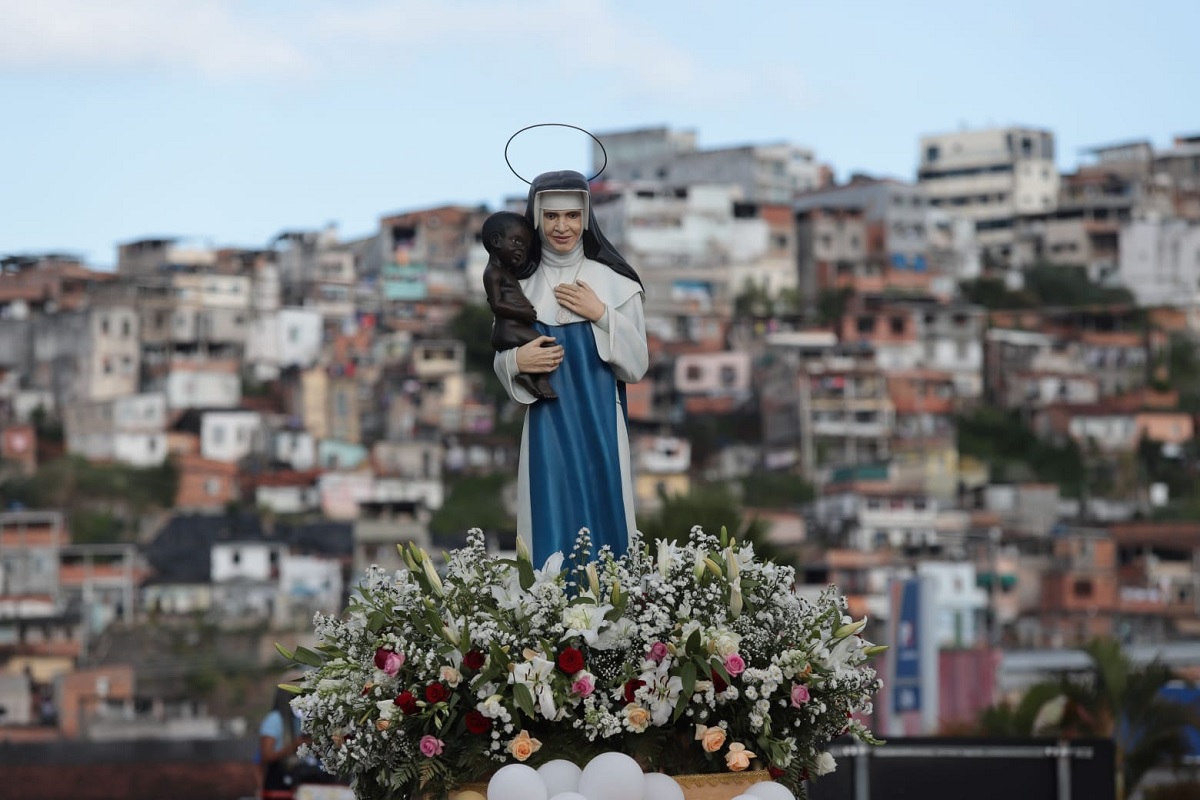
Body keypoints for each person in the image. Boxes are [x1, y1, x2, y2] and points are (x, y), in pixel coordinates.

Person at [493, 170, 648, 565]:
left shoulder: (616, 283)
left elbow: (637, 364)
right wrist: (515, 361)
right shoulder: (519, 287)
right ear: (536, 219)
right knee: (548, 510)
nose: (562, 227)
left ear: (586, 217)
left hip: (600, 421)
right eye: (551, 217)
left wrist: (601, 313)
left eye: (572, 216)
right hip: (549, 423)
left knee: (607, 511)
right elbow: (501, 354)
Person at [481, 211, 557, 400]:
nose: (521, 250)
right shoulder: (492, 273)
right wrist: (522, 311)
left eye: (525, 246)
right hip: (507, 330)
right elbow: (497, 304)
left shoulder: (506, 273)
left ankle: (531, 378)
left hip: (513, 326)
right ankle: (539, 380)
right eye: (516, 242)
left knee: (545, 345)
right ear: (496, 241)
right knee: (547, 345)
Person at [258, 686, 310, 797]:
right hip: (278, 779)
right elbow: (266, 756)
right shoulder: (274, 719)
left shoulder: (297, 719)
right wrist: (293, 746)